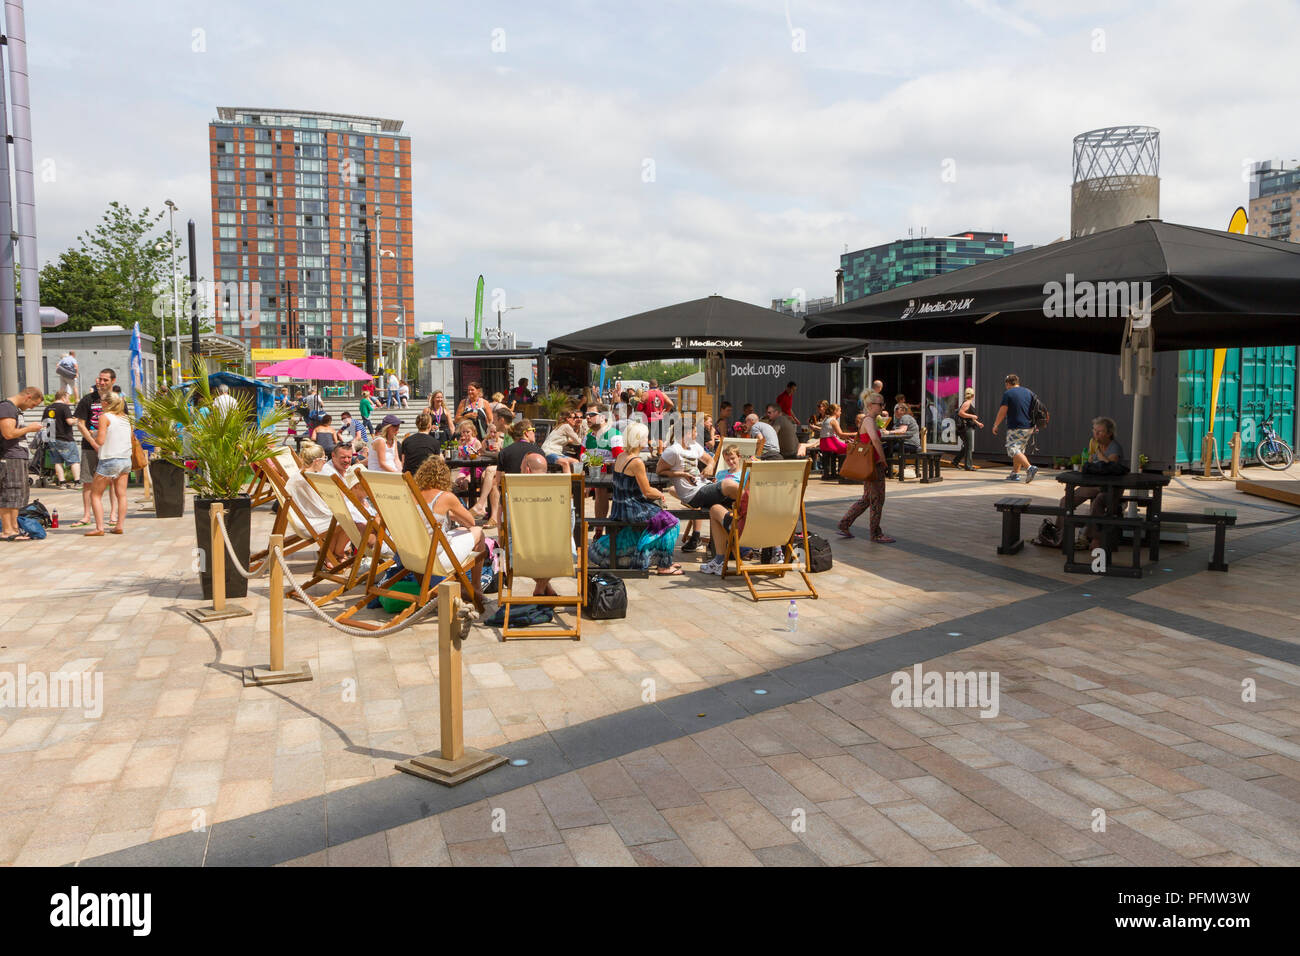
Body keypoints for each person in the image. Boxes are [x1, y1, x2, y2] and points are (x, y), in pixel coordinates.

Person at [591, 422, 681, 575]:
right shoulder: (636, 462)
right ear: (639, 439)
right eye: (646, 437)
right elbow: (647, 491)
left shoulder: (621, 456)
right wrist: (660, 494)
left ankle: (662, 559)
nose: (648, 440)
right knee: (672, 523)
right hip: (633, 508)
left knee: (662, 519)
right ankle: (664, 565)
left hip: (619, 507)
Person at [1037, 417, 1123, 551]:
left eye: (1100, 432)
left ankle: (1093, 538)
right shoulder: (1094, 444)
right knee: (1066, 501)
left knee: (1098, 503)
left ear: (1109, 433)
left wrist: (1098, 453)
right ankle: (1060, 536)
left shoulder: (1114, 448)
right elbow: (1089, 463)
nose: (1096, 434)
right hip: (1093, 485)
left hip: (1108, 487)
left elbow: (1110, 466)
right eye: (1095, 431)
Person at [412, 455, 488, 606]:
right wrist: (452, 513)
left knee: (460, 530)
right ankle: (475, 587)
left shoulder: (412, 495)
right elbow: (471, 522)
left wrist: (448, 514)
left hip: (414, 557)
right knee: (479, 532)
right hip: (437, 559)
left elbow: (428, 519)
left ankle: (457, 587)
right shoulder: (446, 497)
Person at [837, 391, 894, 543]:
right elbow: (875, 440)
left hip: (871, 463)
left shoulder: (870, 420)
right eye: (880, 404)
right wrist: (882, 458)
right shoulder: (869, 420)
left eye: (883, 403)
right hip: (873, 464)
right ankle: (875, 533)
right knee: (877, 499)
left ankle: (844, 524)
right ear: (870, 405)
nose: (882, 407)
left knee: (868, 498)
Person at [656, 418, 717, 553]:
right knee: (714, 503)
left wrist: (710, 467)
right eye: (695, 431)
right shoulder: (673, 451)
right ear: (688, 433)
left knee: (715, 505)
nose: (697, 434)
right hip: (692, 491)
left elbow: (710, 460)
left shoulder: (695, 446)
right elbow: (659, 471)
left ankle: (701, 539)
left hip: (701, 485)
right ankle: (707, 541)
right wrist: (681, 474)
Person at [698, 443, 754, 575]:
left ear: (739, 457)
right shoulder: (721, 473)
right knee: (712, 505)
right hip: (720, 503)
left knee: (715, 510)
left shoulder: (745, 474)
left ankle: (720, 558)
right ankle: (729, 554)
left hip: (734, 507)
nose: (730, 462)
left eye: (733, 458)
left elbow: (744, 493)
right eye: (727, 460)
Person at [70, 368, 116, 528]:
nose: (102, 383)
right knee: (88, 481)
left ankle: (113, 514)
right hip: (89, 447)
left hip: (111, 447)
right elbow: (80, 424)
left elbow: (122, 421)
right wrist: (93, 442)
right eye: (100, 379)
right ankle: (86, 515)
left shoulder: (116, 400)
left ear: (113, 381)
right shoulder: (88, 399)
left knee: (112, 481)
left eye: (105, 380)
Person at [84, 392, 133, 536]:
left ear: (106, 403)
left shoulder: (104, 417)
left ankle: (99, 528)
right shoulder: (126, 418)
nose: (100, 403)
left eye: (101, 401)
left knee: (95, 494)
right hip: (125, 459)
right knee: (121, 495)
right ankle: (119, 525)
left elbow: (101, 441)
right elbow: (128, 437)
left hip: (110, 459)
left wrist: (94, 434)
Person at [0, 386, 44, 541]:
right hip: (10, 457)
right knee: (10, 492)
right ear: (28, 397)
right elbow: (8, 433)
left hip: (17, 456)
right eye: (33, 404)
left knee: (18, 494)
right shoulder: (6, 407)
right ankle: (7, 530)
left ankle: (13, 529)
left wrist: (27, 428)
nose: (32, 408)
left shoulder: (14, 410)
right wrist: (29, 428)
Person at [991, 373, 1045, 483]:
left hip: (1016, 426)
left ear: (1007, 383)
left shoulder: (1008, 393)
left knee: (1012, 448)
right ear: (1017, 382)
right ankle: (1015, 474)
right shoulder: (1028, 392)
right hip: (1029, 426)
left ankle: (1030, 468)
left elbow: (1003, 411)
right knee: (1019, 450)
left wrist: (996, 424)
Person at [584, 405, 624, 523]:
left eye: (591, 415)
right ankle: (592, 528)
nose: (587, 417)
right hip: (594, 478)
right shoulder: (587, 437)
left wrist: (602, 463)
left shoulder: (613, 435)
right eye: (586, 415)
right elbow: (582, 458)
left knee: (600, 490)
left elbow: (620, 459)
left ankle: (600, 529)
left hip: (613, 478)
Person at [43, 389, 81, 488]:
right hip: (65, 438)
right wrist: (77, 419)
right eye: (68, 398)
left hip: (52, 439)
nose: (68, 400)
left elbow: (45, 424)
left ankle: (62, 483)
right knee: (74, 460)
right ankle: (77, 482)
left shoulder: (48, 408)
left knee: (57, 461)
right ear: (63, 397)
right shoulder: (64, 407)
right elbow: (69, 422)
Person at [541, 408, 584, 473]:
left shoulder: (562, 426)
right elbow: (578, 442)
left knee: (576, 462)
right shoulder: (566, 426)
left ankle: (575, 481)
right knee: (565, 463)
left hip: (557, 453)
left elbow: (572, 441)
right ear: (568, 419)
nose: (575, 420)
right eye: (573, 418)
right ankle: (567, 483)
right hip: (548, 452)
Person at [638, 379, 674, 455]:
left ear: (649, 385)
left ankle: (650, 454)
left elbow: (639, 408)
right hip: (659, 417)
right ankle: (660, 453)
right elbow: (671, 404)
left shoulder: (646, 394)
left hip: (648, 418)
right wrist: (666, 411)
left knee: (649, 438)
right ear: (657, 385)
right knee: (659, 438)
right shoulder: (662, 394)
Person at [400, 411, 441, 476]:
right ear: (429, 425)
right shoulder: (435, 442)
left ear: (417, 424)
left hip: (410, 478)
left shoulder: (406, 441)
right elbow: (437, 464)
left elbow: (403, 462)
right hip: (426, 478)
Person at [952, 387, 982, 470]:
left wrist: (978, 423)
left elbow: (967, 416)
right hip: (965, 428)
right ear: (973, 395)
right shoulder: (967, 403)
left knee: (966, 446)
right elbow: (961, 413)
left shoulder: (967, 403)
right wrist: (972, 416)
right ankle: (968, 466)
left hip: (964, 427)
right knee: (969, 447)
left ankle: (955, 461)